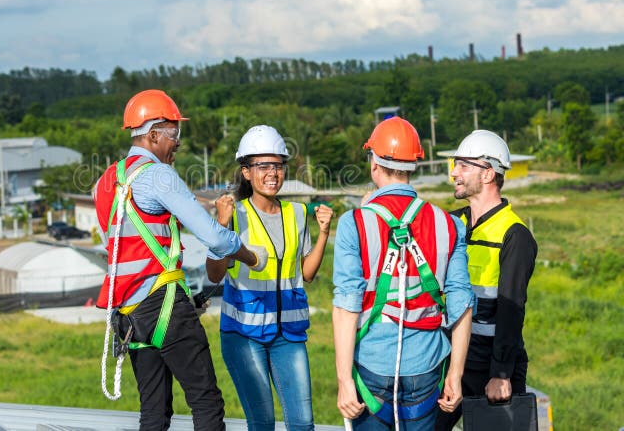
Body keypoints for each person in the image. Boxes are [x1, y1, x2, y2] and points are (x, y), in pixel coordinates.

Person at [95, 89, 268, 431]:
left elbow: (118, 250)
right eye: (175, 135)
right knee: (205, 401)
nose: (177, 144)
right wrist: (250, 256)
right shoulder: (158, 176)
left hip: (130, 314)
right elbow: (215, 237)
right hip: (163, 306)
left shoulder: (104, 183)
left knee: (154, 412)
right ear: (154, 134)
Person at [332, 116, 474, 430]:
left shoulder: (354, 223)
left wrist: (344, 380)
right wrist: (455, 375)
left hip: (373, 364)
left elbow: (346, 306)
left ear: (374, 164)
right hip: (426, 365)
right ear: (414, 166)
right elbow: (462, 303)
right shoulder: (449, 225)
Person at [206, 125, 334, 431]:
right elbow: (214, 274)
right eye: (263, 166)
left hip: (288, 335)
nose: (272, 173)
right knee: (262, 424)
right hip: (244, 336)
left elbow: (307, 274)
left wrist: (324, 234)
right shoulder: (234, 214)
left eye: (277, 166)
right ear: (247, 172)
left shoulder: (298, 213)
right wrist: (221, 227)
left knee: (303, 424)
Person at [434, 130, 537, 430]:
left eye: (464, 165)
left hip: (493, 365)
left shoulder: (515, 235)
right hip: (453, 360)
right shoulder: (453, 223)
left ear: (489, 173)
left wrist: (501, 373)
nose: (455, 172)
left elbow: (511, 309)